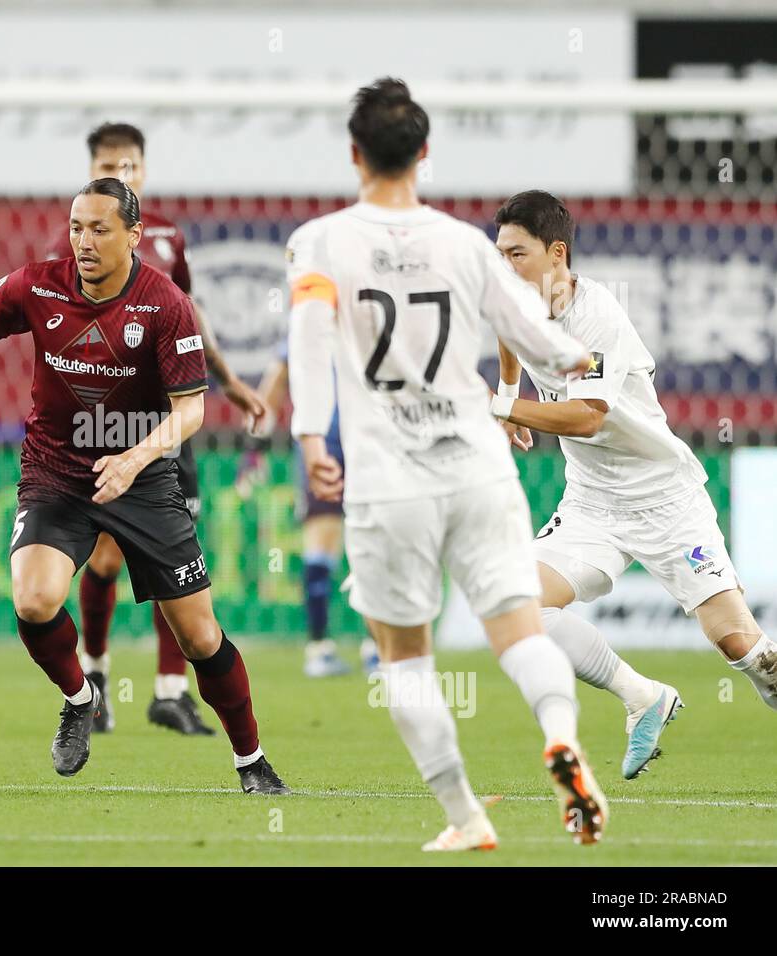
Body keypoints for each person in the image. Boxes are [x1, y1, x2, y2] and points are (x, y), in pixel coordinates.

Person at [0, 178, 289, 794]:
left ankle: (250, 760)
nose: (84, 241)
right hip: (57, 475)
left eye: (99, 229)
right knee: (35, 601)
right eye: (76, 228)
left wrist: (134, 457)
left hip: (145, 480)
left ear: (133, 234)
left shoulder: (165, 303)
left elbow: (191, 410)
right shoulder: (37, 285)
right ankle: (80, 697)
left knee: (201, 637)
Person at [288, 78, 605, 849]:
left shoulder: (322, 242)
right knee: (522, 633)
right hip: (476, 464)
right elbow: (539, 339)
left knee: (402, 656)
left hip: (389, 478)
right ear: (424, 153)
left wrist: (309, 437)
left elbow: (309, 343)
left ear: (355, 154)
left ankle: (466, 817)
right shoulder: (466, 244)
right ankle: (561, 736)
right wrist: (578, 354)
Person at [492, 189, 777, 778]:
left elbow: (587, 417)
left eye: (516, 254)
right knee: (516, 605)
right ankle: (642, 696)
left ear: (556, 253)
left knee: (740, 646)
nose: (504, 267)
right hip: (593, 503)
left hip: (665, 499)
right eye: (499, 253)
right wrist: (510, 389)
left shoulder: (596, 316)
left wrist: (505, 408)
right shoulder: (511, 300)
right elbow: (507, 334)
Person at [52, 123, 267, 735]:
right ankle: (93, 679)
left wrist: (226, 381)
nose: (121, 174)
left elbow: (190, 321)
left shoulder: (169, 241)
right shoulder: (75, 249)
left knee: (176, 546)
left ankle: (170, 691)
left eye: (130, 165)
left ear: (144, 171)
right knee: (105, 552)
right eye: (106, 164)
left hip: (168, 416)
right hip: (102, 420)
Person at [245, 343, 356, 677]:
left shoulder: (312, 308)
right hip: (328, 442)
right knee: (334, 544)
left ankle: (348, 648)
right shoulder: (315, 309)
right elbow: (278, 376)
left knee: (364, 542)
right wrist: (256, 445)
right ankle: (329, 648)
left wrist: (256, 445)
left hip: (341, 440)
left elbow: (277, 376)